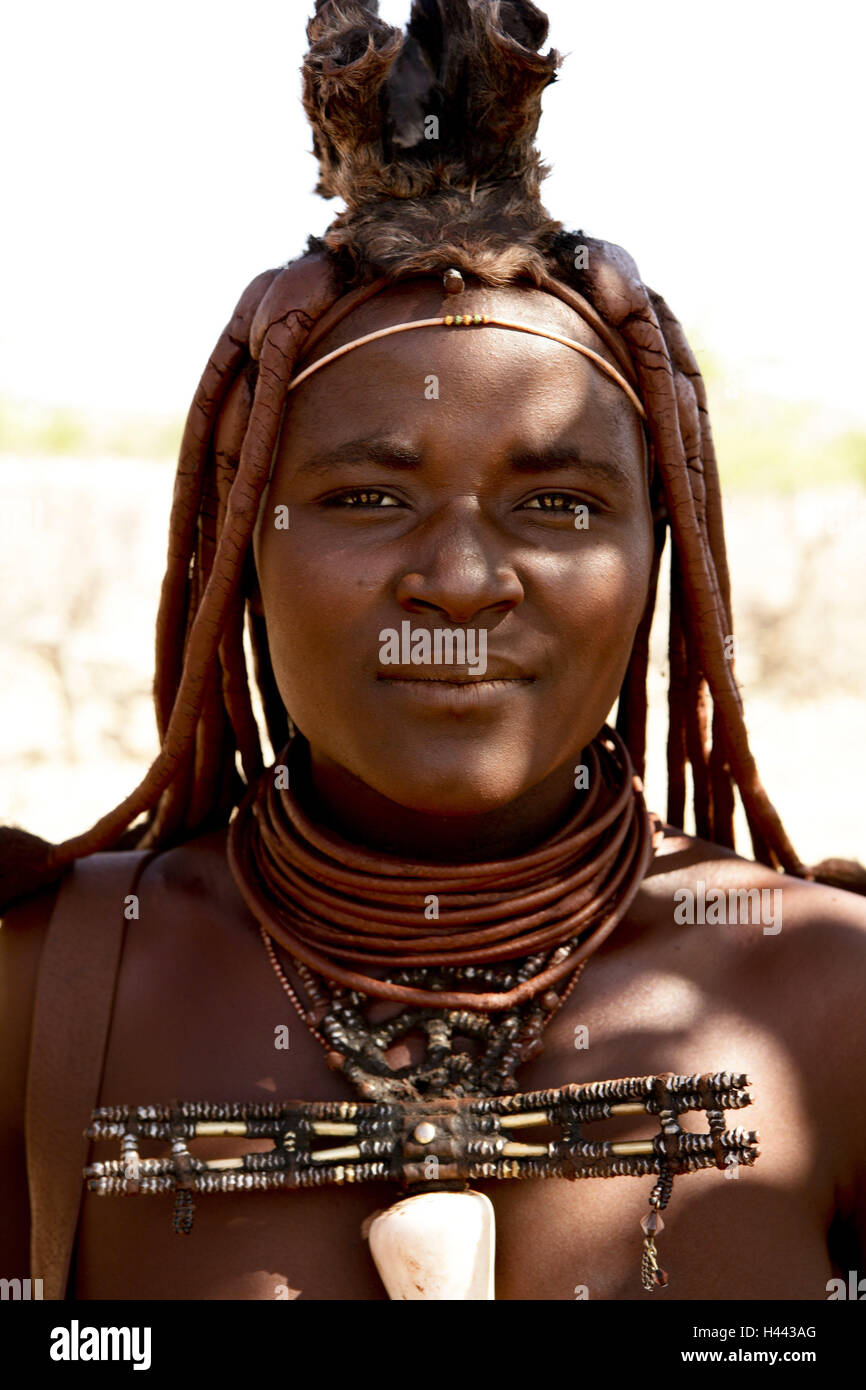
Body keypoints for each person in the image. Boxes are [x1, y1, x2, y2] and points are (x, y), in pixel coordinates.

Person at [2, 0, 865, 1302]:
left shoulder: (830, 1002)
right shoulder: (48, 987)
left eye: (558, 504)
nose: (459, 576)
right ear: (243, 548)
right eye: (365, 495)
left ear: (657, 561)